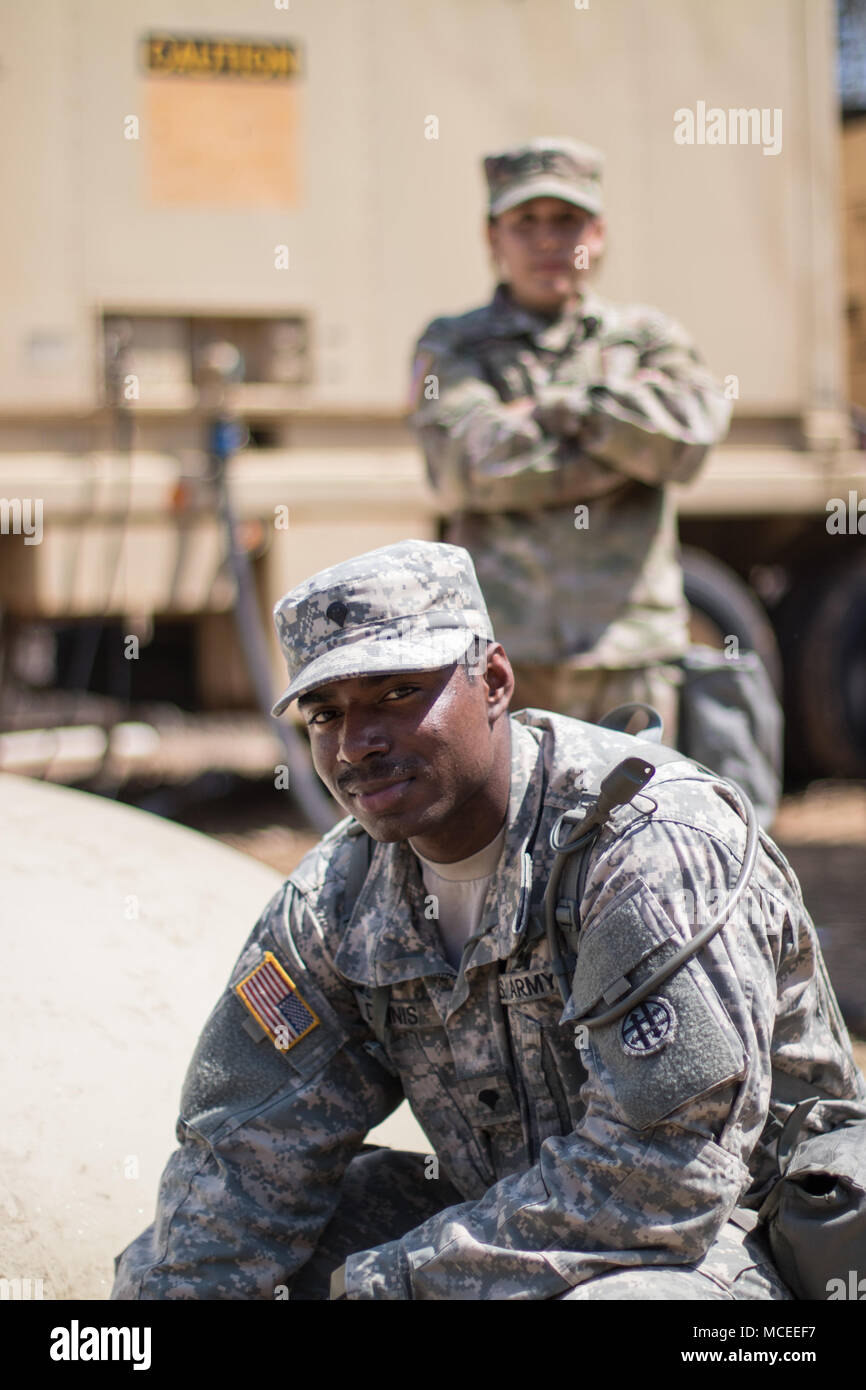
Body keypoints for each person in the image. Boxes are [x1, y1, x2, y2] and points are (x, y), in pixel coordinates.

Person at [112, 540, 866, 1301]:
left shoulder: (647, 848)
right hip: (522, 1216)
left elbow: (666, 1184)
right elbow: (241, 1158)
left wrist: (389, 1284)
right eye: (326, 714)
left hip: (738, 1238)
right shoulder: (336, 900)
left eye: (398, 693)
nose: (357, 744)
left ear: (495, 681)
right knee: (241, 1255)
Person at [409, 138, 733, 744]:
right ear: (492, 237)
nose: (548, 241)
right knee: (511, 809)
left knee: (641, 807)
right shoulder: (452, 344)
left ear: (598, 234)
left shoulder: (648, 338)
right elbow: (464, 467)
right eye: (525, 222)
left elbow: (686, 444)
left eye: (566, 220)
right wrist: (625, 447)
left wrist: (557, 409)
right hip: (505, 661)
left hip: (631, 655)